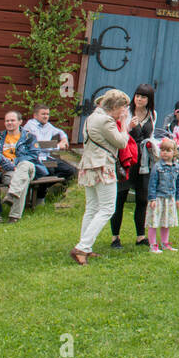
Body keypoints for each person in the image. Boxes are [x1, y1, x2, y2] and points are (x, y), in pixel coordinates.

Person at [71, 89, 130, 265]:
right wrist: (125, 123)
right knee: (107, 209)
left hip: (89, 165)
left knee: (92, 208)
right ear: (116, 106)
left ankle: (86, 248)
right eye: (123, 108)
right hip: (102, 166)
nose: (124, 112)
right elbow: (121, 142)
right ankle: (82, 247)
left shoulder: (92, 117)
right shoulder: (106, 120)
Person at [111, 83, 155, 249]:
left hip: (144, 161)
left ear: (149, 99)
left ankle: (140, 236)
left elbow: (151, 134)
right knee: (120, 198)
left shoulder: (152, 114)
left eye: (143, 97)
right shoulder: (126, 113)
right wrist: (129, 127)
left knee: (142, 199)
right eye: (137, 95)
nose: (139, 99)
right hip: (127, 158)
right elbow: (118, 135)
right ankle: (115, 237)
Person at [146, 138, 179, 253]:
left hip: (170, 198)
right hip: (158, 198)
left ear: (174, 152)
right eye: (162, 150)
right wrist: (152, 198)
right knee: (154, 221)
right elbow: (152, 184)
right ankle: (153, 245)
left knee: (166, 221)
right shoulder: (157, 167)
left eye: (168, 150)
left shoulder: (177, 168)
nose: (164, 153)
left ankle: (165, 243)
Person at [22, 103, 77, 182]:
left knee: (69, 170)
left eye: (47, 114)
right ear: (35, 115)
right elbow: (39, 145)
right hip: (36, 160)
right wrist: (58, 146)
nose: (46, 116)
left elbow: (60, 132)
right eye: (43, 114)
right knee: (50, 171)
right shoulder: (30, 126)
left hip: (47, 159)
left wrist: (64, 139)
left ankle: (52, 187)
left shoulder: (47, 125)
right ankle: (41, 191)